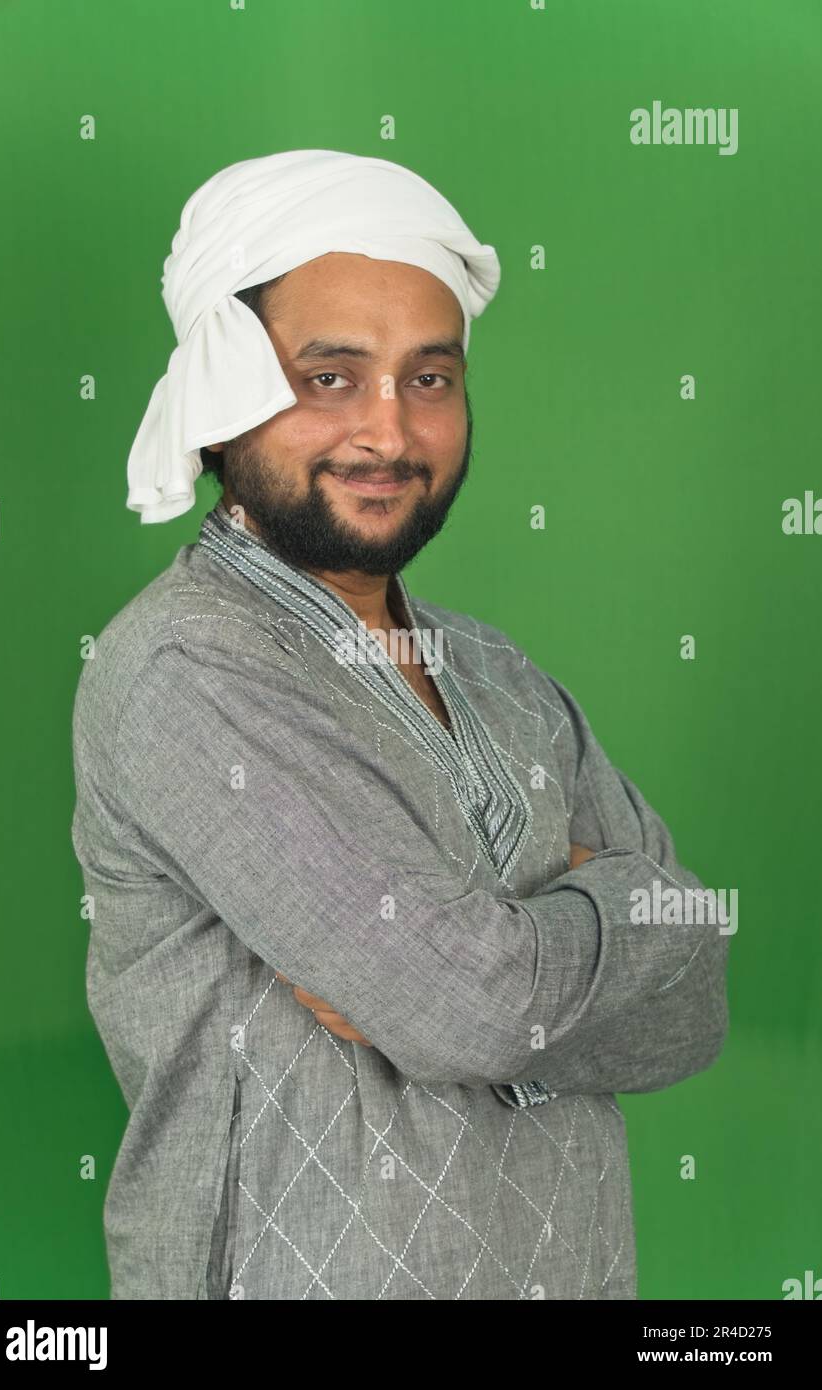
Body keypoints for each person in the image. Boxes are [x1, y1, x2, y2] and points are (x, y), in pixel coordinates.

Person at [70, 150, 731, 1300]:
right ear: (219, 400)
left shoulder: (495, 670)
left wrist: (509, 957)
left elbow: (695, 1010)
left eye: (428, 378)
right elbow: (466, 1008)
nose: (387, 430)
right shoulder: (183, 666)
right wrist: (606, 911)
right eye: (329, 377)